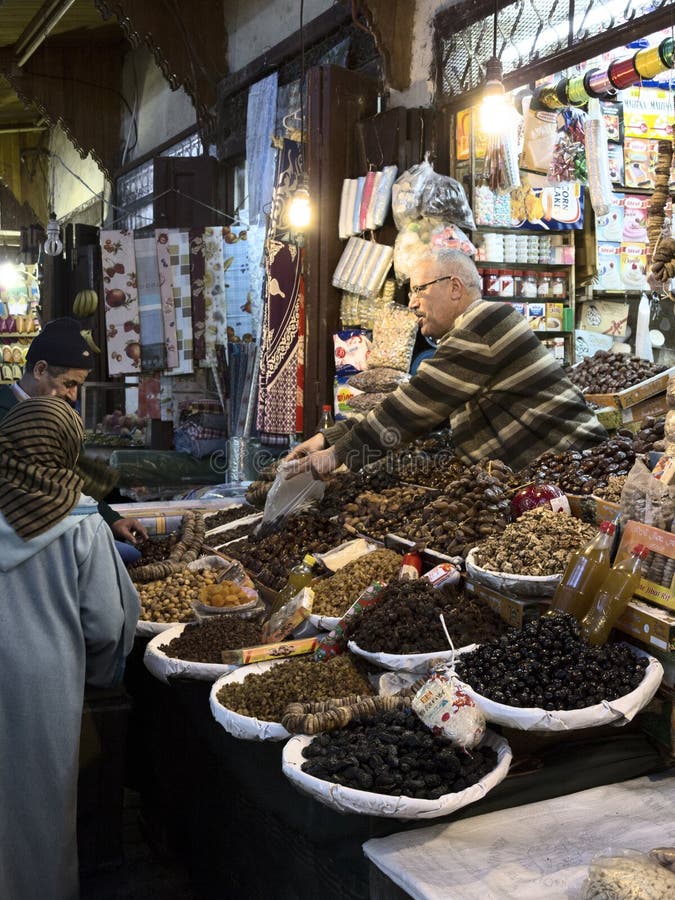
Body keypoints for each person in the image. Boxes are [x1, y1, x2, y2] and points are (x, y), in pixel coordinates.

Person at [289, 248, 607, 474]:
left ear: (454, 287)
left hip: (577, 468)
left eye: (418, 290)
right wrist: (326, 438)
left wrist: (338, 455)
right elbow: (421, 401)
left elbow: (416, 404)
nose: (412, 302)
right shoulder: (462, 339)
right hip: (554, 474)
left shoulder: (486, 320)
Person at [0, 397, 140, 900]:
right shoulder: (80, 520)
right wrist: (103, 676)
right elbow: (105, 622)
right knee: (38, 807)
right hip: (47, 683)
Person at [0, 317, 148, 546]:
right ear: (40, 370)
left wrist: (112, 520)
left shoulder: (63, 419)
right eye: (69, 384)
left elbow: (72, 483)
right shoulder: (3, 412)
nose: (74, 396)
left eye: (78, 386)